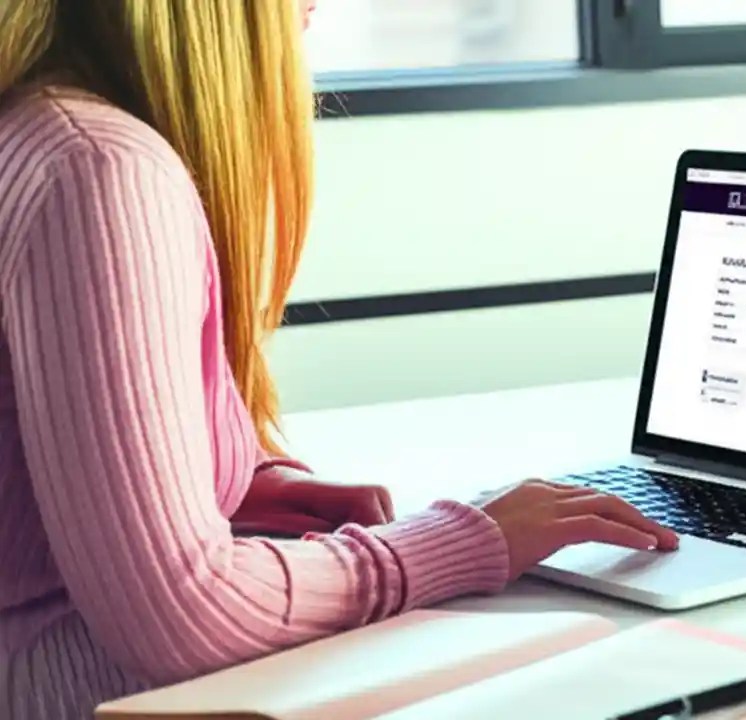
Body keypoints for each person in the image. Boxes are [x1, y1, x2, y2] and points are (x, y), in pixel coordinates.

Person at [0, 2, 677, 717]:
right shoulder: (98, 170)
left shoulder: (37, 132)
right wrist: (468, 541)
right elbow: (185, 612)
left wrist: (231, 486)